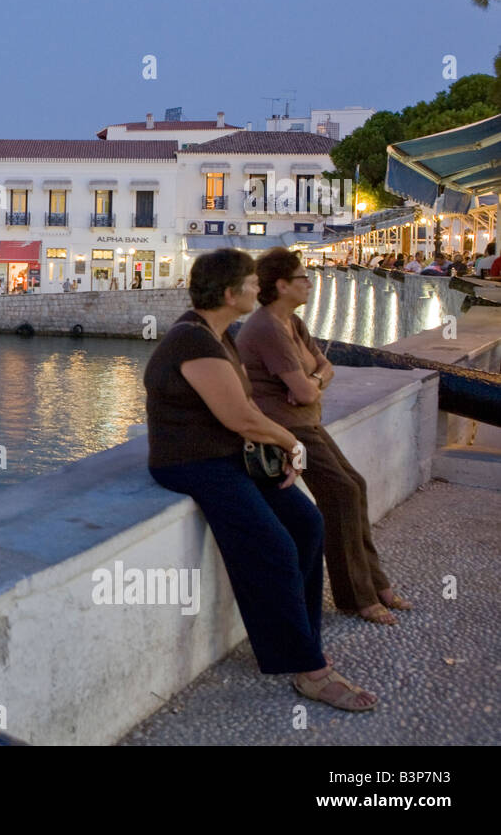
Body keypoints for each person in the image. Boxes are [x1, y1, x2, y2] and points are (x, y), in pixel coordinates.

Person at [144, 248, 376, 710]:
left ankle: (303, 639)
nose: (257, 288)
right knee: (274, 546)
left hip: (232, 458)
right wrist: (291, 444)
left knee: (308, 524)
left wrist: (278, 442)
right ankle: (310, 669)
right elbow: (237, 417)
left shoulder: (219, 335)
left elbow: (248, 411)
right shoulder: (191, 341)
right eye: (250, 283)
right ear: (230, 293)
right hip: (193, 463)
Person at [238, 247, 409, 628]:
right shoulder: (266, 327)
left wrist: (313, 381)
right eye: (303, 277)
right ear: (281, 285)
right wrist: (313, 383)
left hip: (306, 421)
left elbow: (323, 369)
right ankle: (357, 596)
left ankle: (375, 584)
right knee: (342, 493)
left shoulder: (293, 324)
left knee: (355, 486)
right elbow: (306, 390)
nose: (309, 282)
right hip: (286, 429)